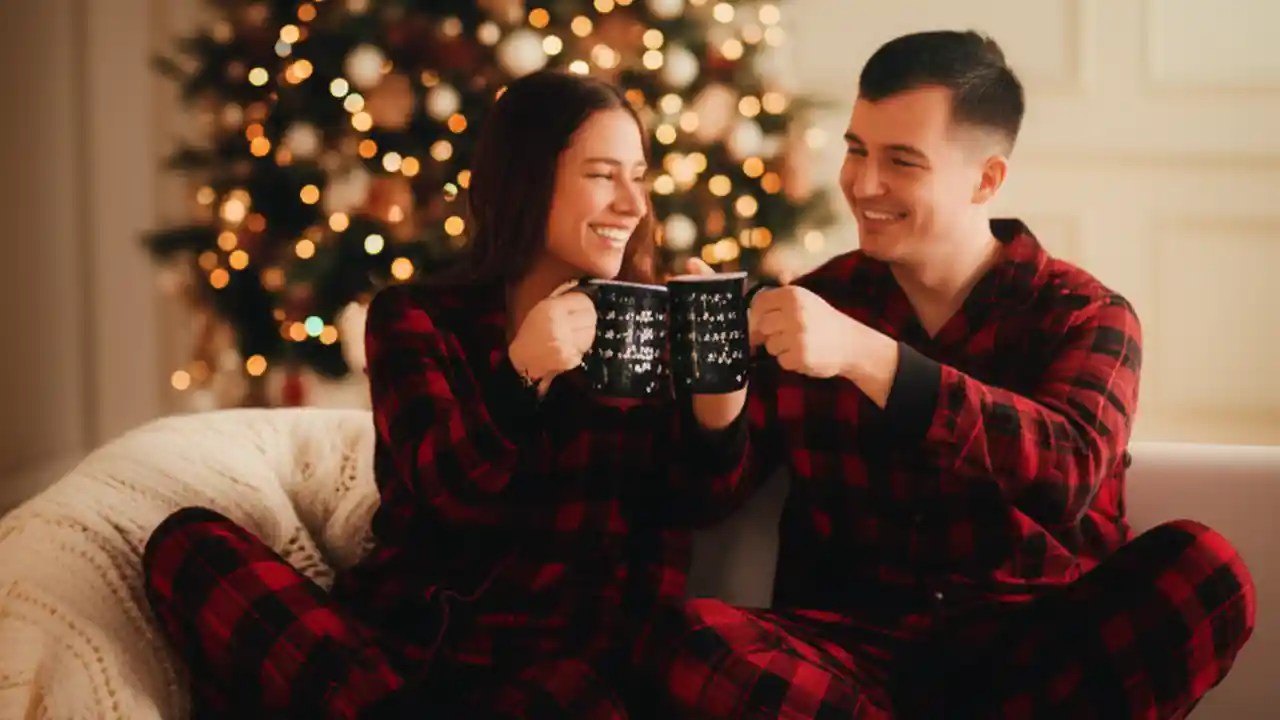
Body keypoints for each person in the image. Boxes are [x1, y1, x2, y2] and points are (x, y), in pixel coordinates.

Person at [646, 30, 1257, 719]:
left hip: (1037, 659)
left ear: (986, 179)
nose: (862, 184)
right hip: (856, 660)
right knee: (690, 641)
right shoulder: (816, 303)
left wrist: (871, 359)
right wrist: (719, 389)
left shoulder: (1085, 315)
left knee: (1206, 572)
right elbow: (705, 498)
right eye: (856, 150)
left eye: (901, 161)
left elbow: (1068, 473)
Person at [141, 70, 755, 719]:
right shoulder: (415, 319)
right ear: (526, 180)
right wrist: (521, 374)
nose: (633, 205)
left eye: (638, 176)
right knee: (189, 547)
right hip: (402, 652)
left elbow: (690, 504)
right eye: (604, 175)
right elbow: (449, 491)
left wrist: (719, 406)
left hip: (566, 675)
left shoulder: (653, 324)